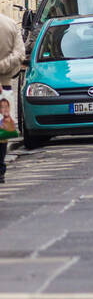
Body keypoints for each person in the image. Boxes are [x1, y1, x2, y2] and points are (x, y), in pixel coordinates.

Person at [0, 10, 25, 185]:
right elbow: (19, 55)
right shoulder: (9, 25)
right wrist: (2, 67)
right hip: (5, 85)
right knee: (2, 132)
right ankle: (0, 169)